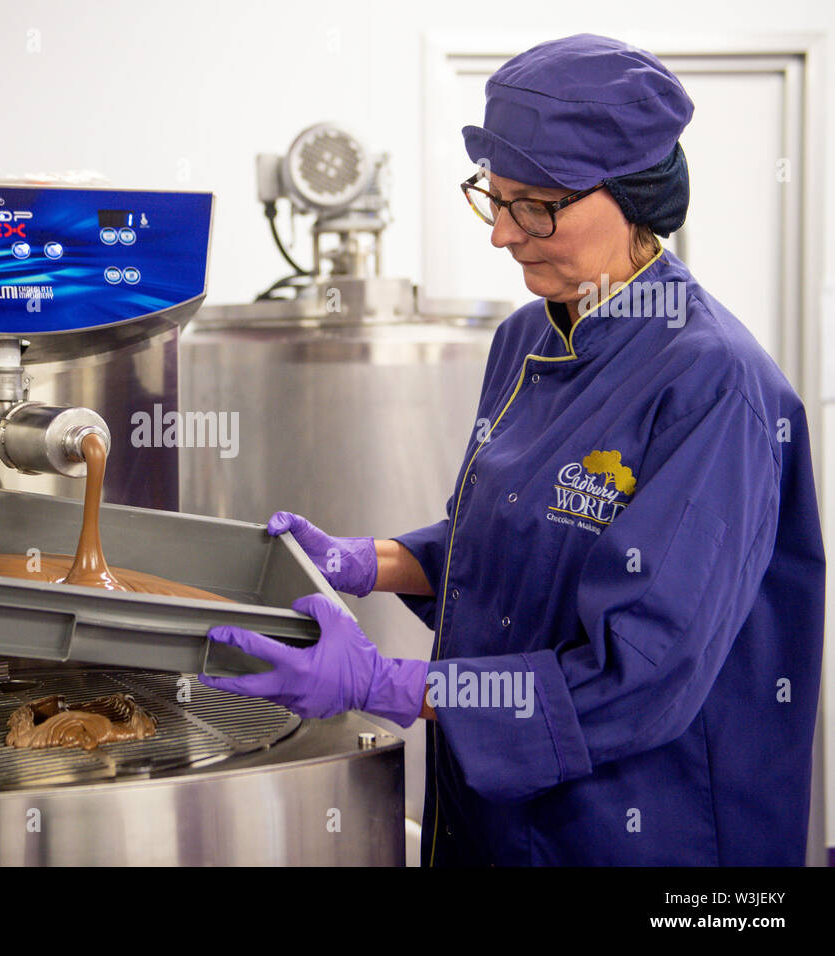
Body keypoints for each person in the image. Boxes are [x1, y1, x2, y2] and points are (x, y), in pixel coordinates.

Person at [199, 33, 824, 866]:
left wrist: (386, 684)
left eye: (535, 205)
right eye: (492, 198)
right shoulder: (529, 337)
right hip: (489, 818)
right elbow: (511, 541)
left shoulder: (714, 387)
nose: (502, 233)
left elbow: (633, 676)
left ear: (634, 196)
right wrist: (367, 561)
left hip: (639, 832)